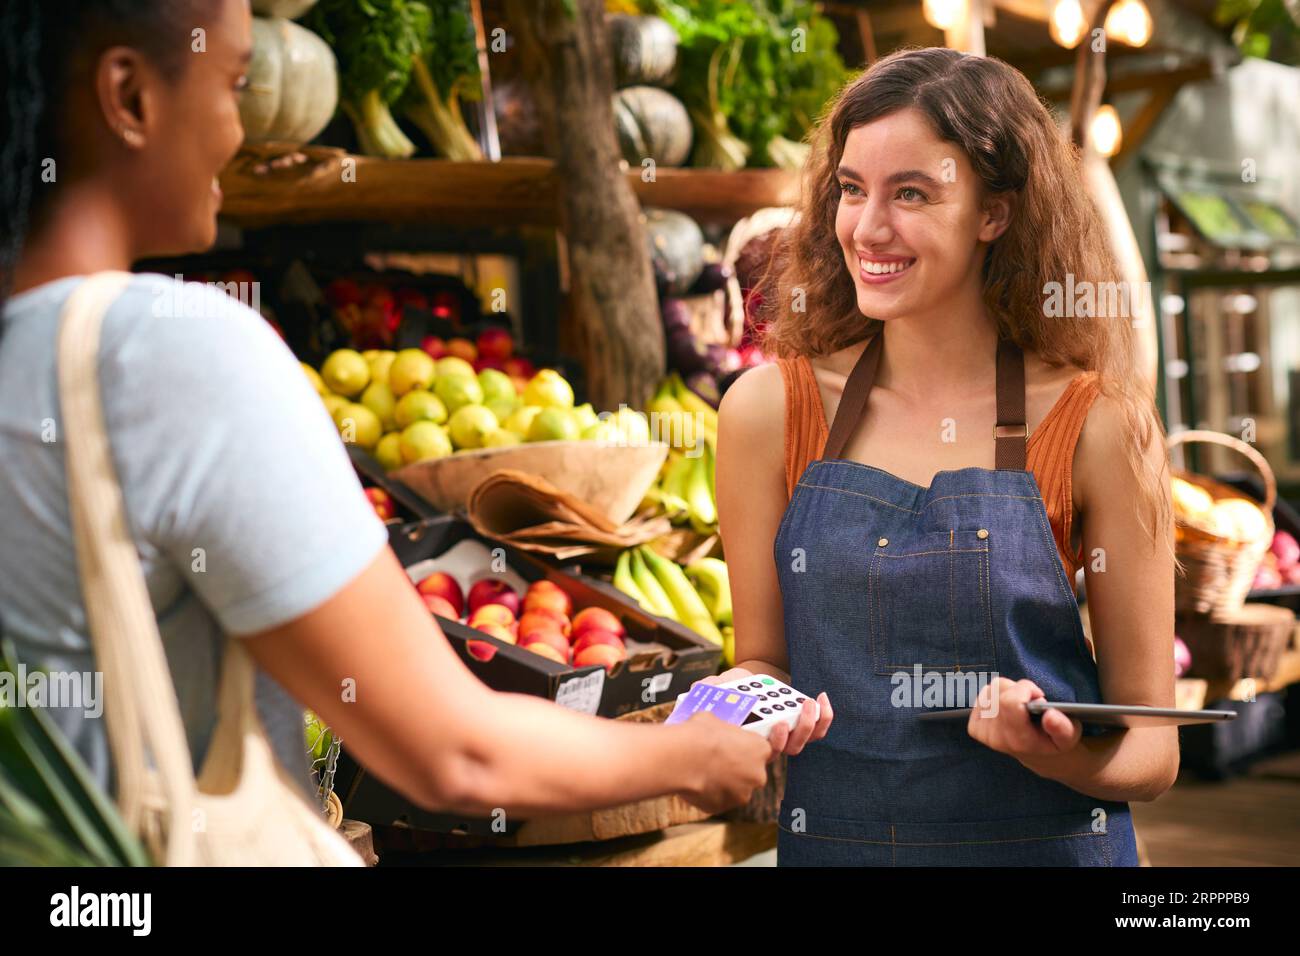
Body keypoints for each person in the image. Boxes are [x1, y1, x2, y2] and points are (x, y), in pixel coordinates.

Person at [0, 0, 773, 828]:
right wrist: (693, 756)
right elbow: (453, 751)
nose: (237, 127)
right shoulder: (167, 350)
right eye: (235, 83)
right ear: (130, 97)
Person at [714, 47, 1178, 865]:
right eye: (851, 189)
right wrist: (735, 708)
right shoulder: (764, 413)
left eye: (913, 194)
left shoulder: (1098, 424)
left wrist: (1054, 749)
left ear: (995, 213)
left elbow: (1154, 747)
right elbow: (763, 661)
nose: (868, 228)